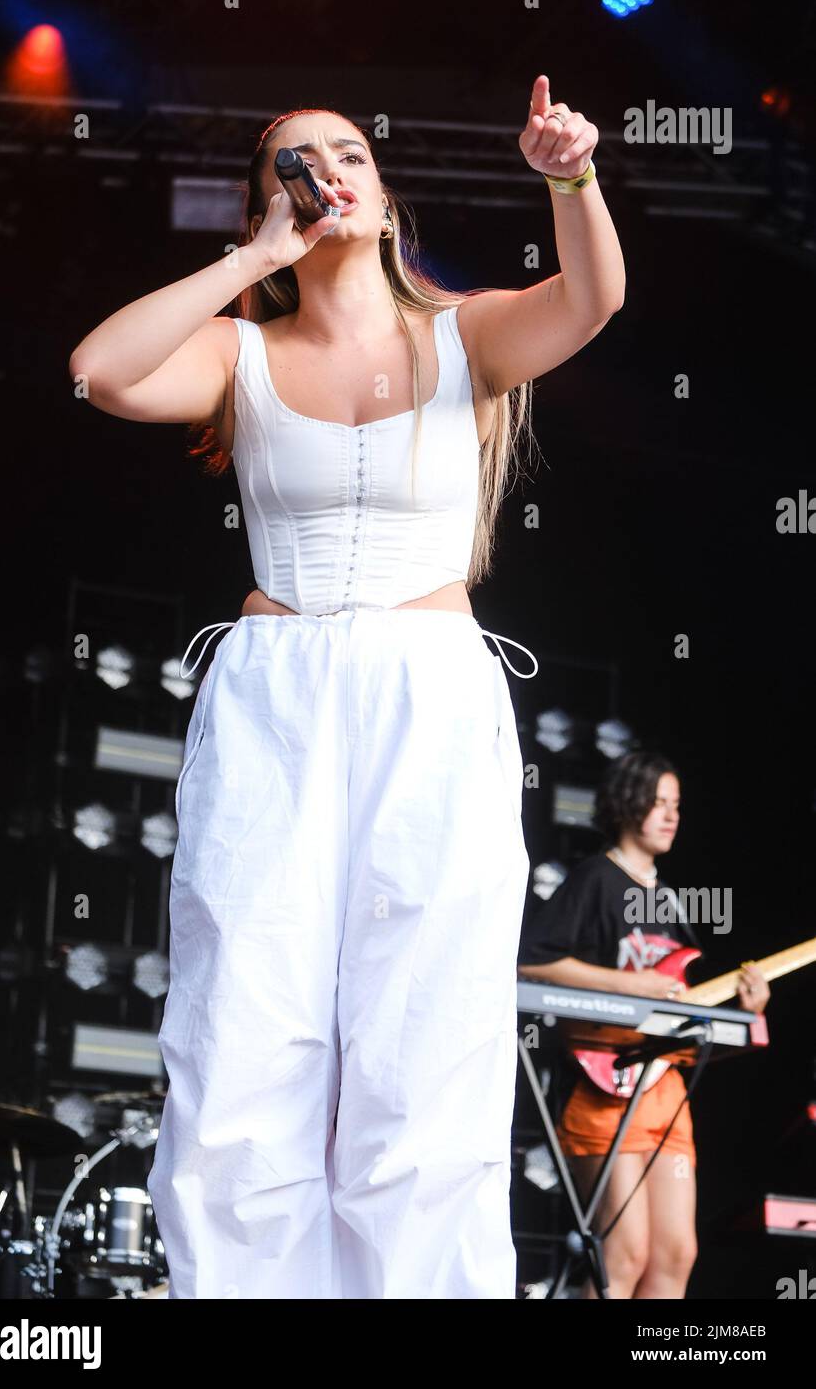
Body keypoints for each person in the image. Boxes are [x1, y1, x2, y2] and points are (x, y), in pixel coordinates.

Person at [68, 75, 625, 1298]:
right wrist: (250, 257)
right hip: (275, 699)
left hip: (428, 694)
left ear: (381, 193)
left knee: (422, 1041)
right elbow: (99, 371)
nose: (324, 172)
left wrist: (566, 173)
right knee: (244, 1033)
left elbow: (591, 298)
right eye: (292, 163)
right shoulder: (240, 352)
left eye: (346, 155)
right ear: (275, 201)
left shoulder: (462, 336)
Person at [519, 751, 770, 1299]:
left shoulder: (672, 903)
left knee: (676, 1254)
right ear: (625, 804)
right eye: (657, 802)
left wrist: (744, 1011)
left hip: (664, 1088)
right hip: (601, 1086)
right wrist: (633, 986)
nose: (670, 816)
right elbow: (531, 963)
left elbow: (687, 1012)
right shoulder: (594, 880)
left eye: (676, 805)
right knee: (623, 1253)